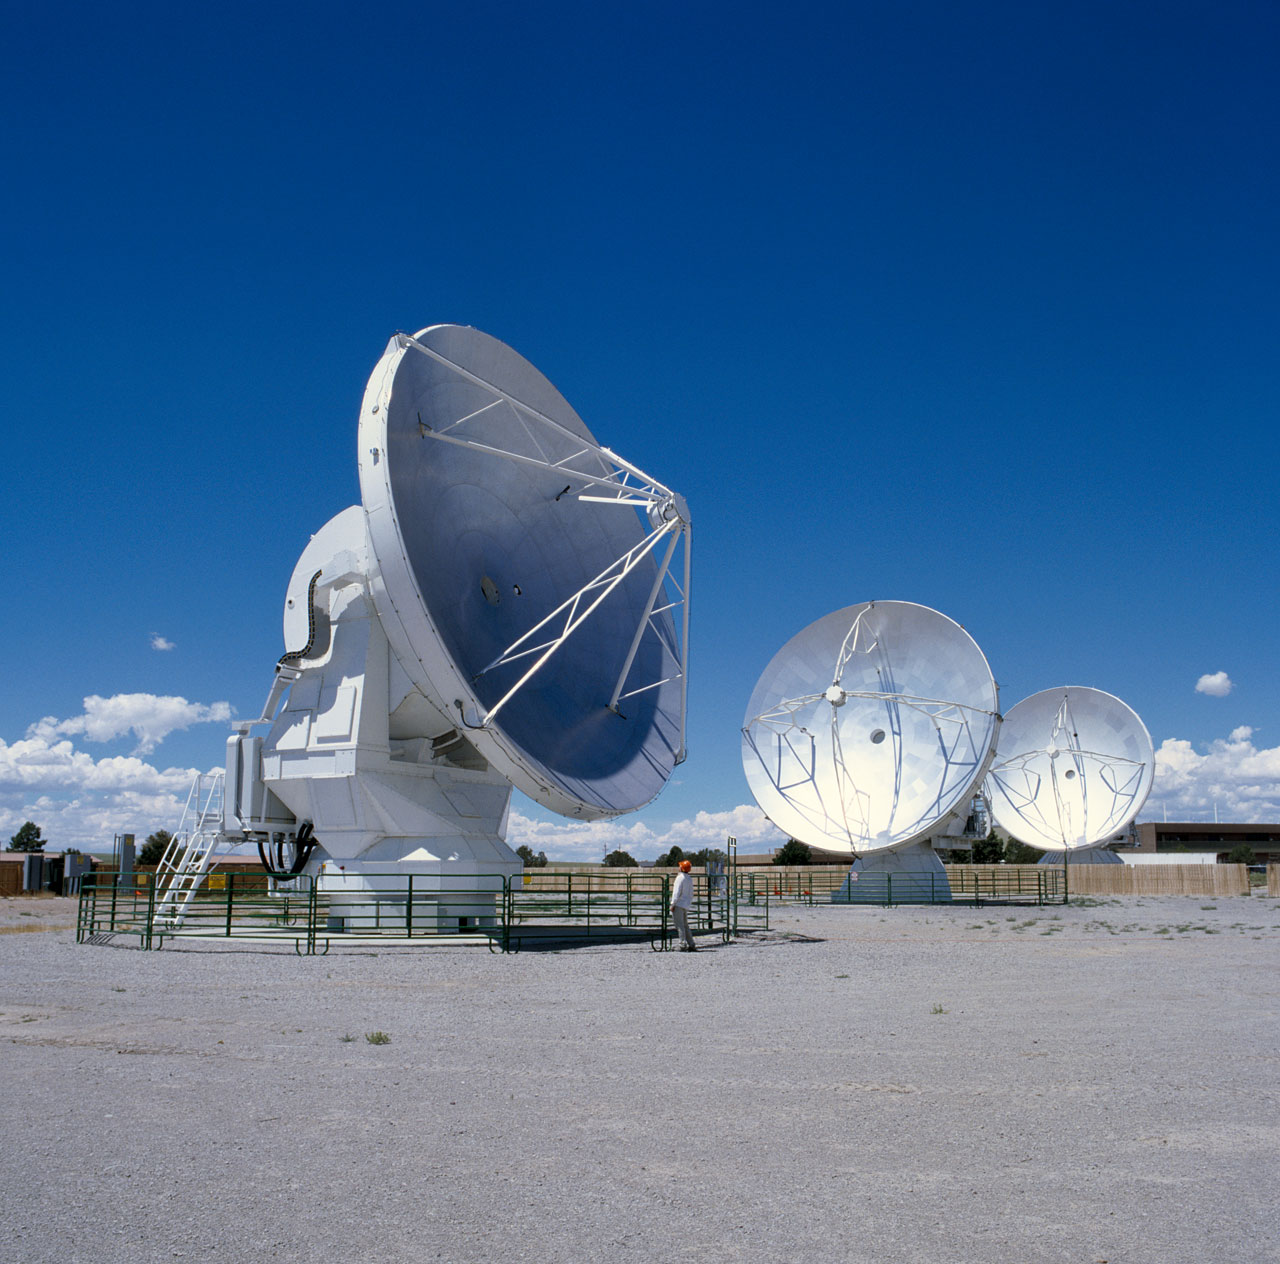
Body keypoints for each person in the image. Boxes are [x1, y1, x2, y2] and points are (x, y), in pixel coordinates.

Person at [670, 858, 696, 951]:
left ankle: (682, 945)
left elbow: (676, 892)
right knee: (685, 925)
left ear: (681, 868)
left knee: (680, 925)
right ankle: (691, 944)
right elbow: (691, 893)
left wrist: (673, 904)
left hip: (679, 904)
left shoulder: (680, 878)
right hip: (685, 904)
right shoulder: (689, 879)